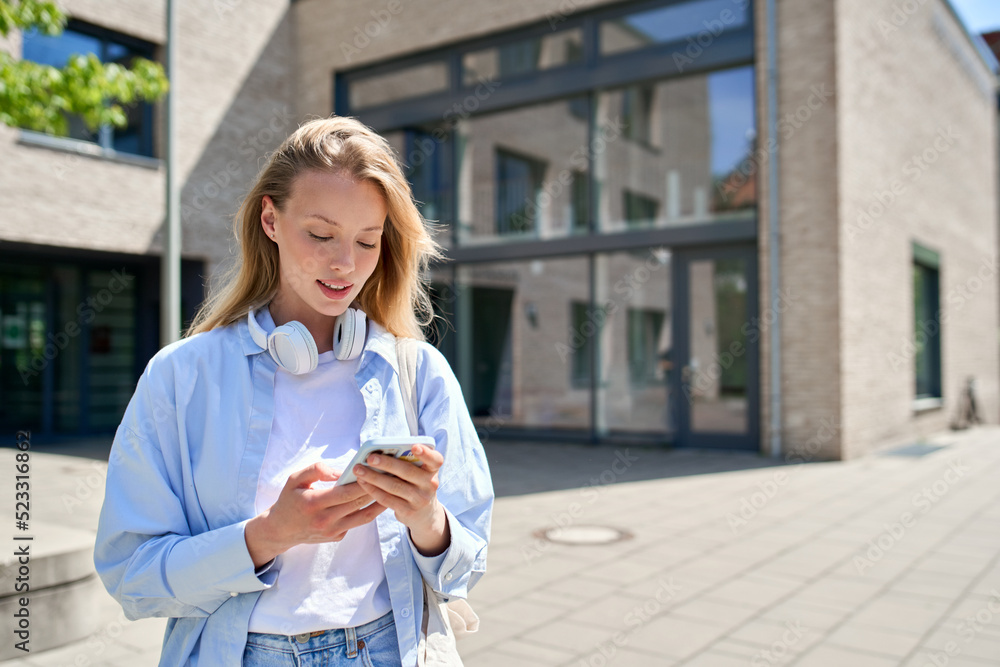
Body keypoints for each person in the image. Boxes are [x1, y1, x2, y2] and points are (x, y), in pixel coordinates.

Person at [93, 116, 494, 666]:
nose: (344, 264)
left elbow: (468, 561)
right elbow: (132, 576)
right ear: (270, 220)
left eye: (367, 241)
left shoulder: (417, 371)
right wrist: (268, 535)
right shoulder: (181, 376)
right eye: (321, 234)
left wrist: (427, 520)